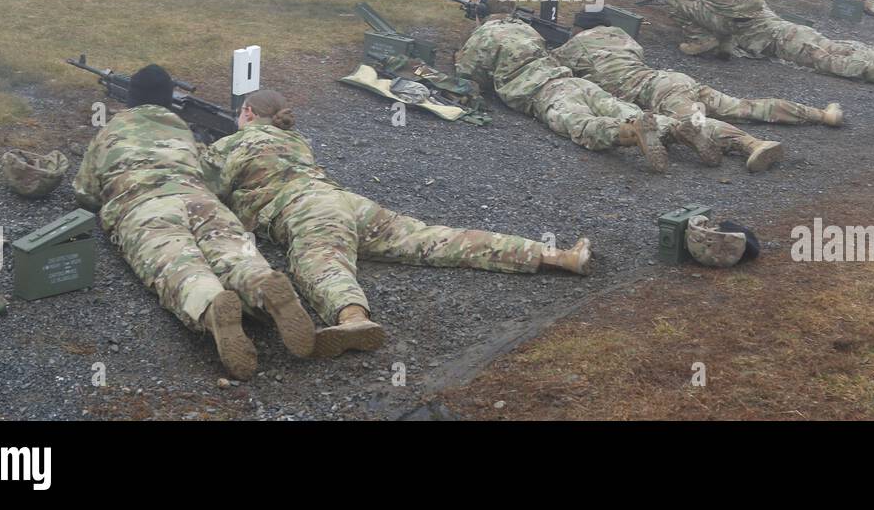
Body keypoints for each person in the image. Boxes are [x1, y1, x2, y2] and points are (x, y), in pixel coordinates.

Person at [202, 90, 591, 358]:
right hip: (344, 201)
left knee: (319, 258)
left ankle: (352, 319)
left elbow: (200, 185)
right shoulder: (295, 139)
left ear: (248, 114)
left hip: (306, 208)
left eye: (241, 114)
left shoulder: (235, 144)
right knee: (435, 239)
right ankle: (556, 255)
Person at [73, 65, 315, 380]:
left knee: (175, 262)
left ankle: (211, 303)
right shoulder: (181, 128)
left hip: (144, 205)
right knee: (231, 249)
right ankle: (262, 284)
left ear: (130, 99)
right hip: (199, 199)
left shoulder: (110, 131)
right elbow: (206, 170)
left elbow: (85, 192)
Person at [552, 17, 844, 171]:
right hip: (671, 78)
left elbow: (558, 72)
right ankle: (822, 114)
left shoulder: (573, 47)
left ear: (578, 28)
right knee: (741, 106)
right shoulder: (619, 33)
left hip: (657, 92)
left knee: (699, 124)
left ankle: (752, 144)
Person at [454, 15, 723, 172]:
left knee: (583, 126)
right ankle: (678, 129)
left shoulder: (483, 35)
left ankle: (631, 132)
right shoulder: (527, 28)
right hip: (574, 81)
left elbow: (468, 76)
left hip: (543, 93)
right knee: (623, 107)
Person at [730, 7, 874, 90]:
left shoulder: (724, 12)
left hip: (785, 41)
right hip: (796, 29)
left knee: (829, 62)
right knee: (843, 50)